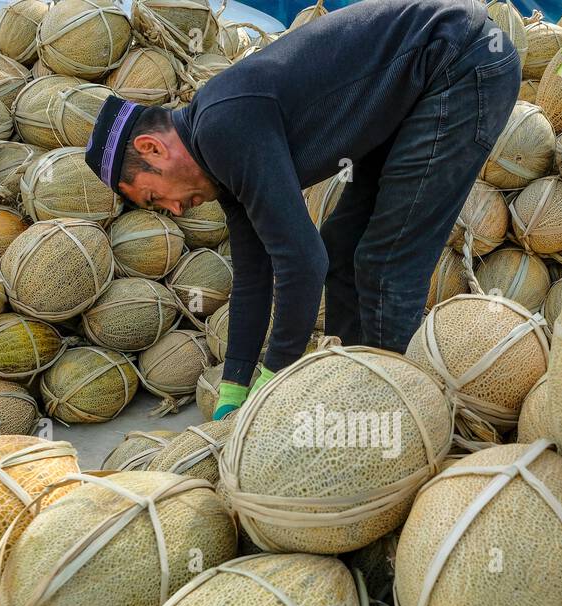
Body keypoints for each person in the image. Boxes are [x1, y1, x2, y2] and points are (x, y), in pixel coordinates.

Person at [85, 0, 520, 419]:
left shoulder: (223, 126)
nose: (174, 209)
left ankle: (392, 417)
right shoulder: (217, 154)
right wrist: (234, 386)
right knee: (343, 249)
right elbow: (255, 276)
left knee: (385, 263)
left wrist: (273, 383)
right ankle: (355, 385)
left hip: (462, 63)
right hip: (416, 89)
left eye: (154, 196)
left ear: (151, 148)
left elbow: (302, 262)